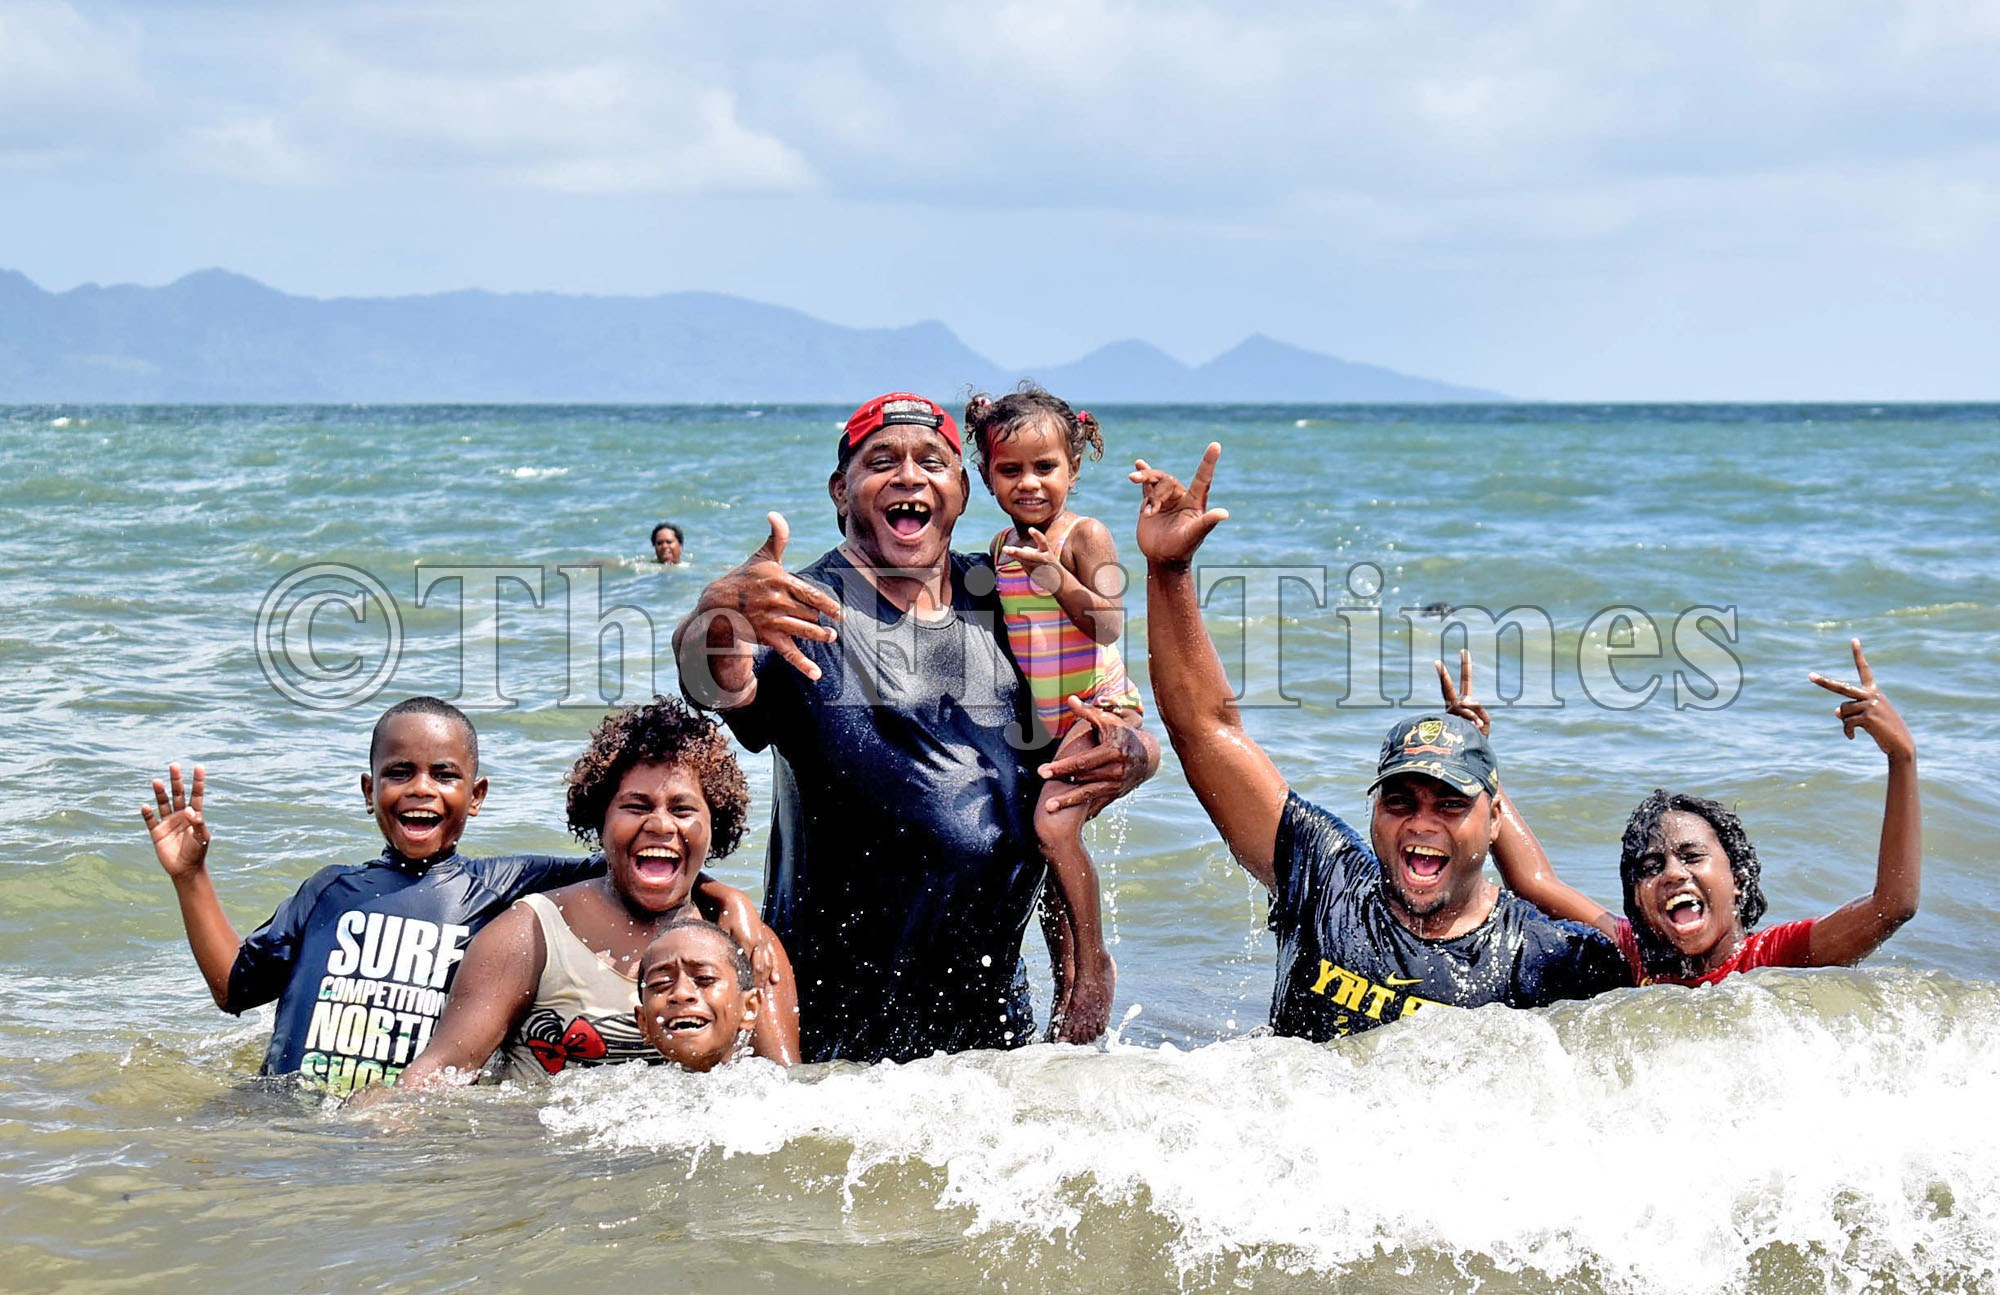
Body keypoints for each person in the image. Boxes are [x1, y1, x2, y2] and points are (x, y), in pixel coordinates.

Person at [672, 391, 1158, 1061]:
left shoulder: (1010, 593)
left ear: (962, 489)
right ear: (841, 491)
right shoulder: (801, 610)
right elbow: (713, 685)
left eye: (933, 460)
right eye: (881, 462)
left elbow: (1088, 703)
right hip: (832, 1049)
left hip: (992, 1047)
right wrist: (716, 615)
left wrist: (1135, 750)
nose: (908, 475)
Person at [1132, 445, 1628, 1039]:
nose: (1421, 823)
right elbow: (1205, 730)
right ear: (1374, 810)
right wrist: (1170, 573)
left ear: (1495, 820)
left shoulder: (1546, 958)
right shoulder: (1326, 880)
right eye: (1401, 802)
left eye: (1449, 804)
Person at [142, 696, 770, 1096]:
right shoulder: (328, 892)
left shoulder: (498, 886)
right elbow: (234, 990)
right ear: (368, 790)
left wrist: (729, 902)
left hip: (402, 1114)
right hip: (291, 1109)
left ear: (477, 795)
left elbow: (638, 863)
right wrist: (191, 878)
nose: (421, 789)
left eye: (444, 775)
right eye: (398, 773)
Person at [384, 698, 797, 1090]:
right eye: (636, 806)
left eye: (683, 810)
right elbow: (443, 1071)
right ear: (600, 820)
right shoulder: (529, 933)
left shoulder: (748, 947)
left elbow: (781, 1092)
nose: (659, 824)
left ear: (714, 826)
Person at [1462, 639, 1922, 986]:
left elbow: (1892, 906)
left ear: (1737, 878)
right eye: (1650, 867)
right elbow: (1534, 883)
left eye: (1692, 855)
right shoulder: (1634, 953)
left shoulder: (1775, 956)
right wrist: (1474, 757)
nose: (1672, 874)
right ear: (1638, 902)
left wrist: (1901, 758)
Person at [966, 387, 1143, 1041]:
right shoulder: (997, 544)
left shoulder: (1083, 534)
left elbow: (1107, 620)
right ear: (986, 476)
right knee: (1039, 854)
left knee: (1053, 825)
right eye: (1010, 470)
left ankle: (1094, 962)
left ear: (1073, 465)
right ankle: (1068, 980)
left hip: (1099, 710)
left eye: (1045, 467)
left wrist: (1056, 578)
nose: (1029, 483)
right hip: (1045, 727)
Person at [634, 918, 766, 1072]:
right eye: (661, 983)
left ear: (749, 1008)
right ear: (643, 1023)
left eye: (705, 978)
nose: (681, 993)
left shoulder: (778, 1090)